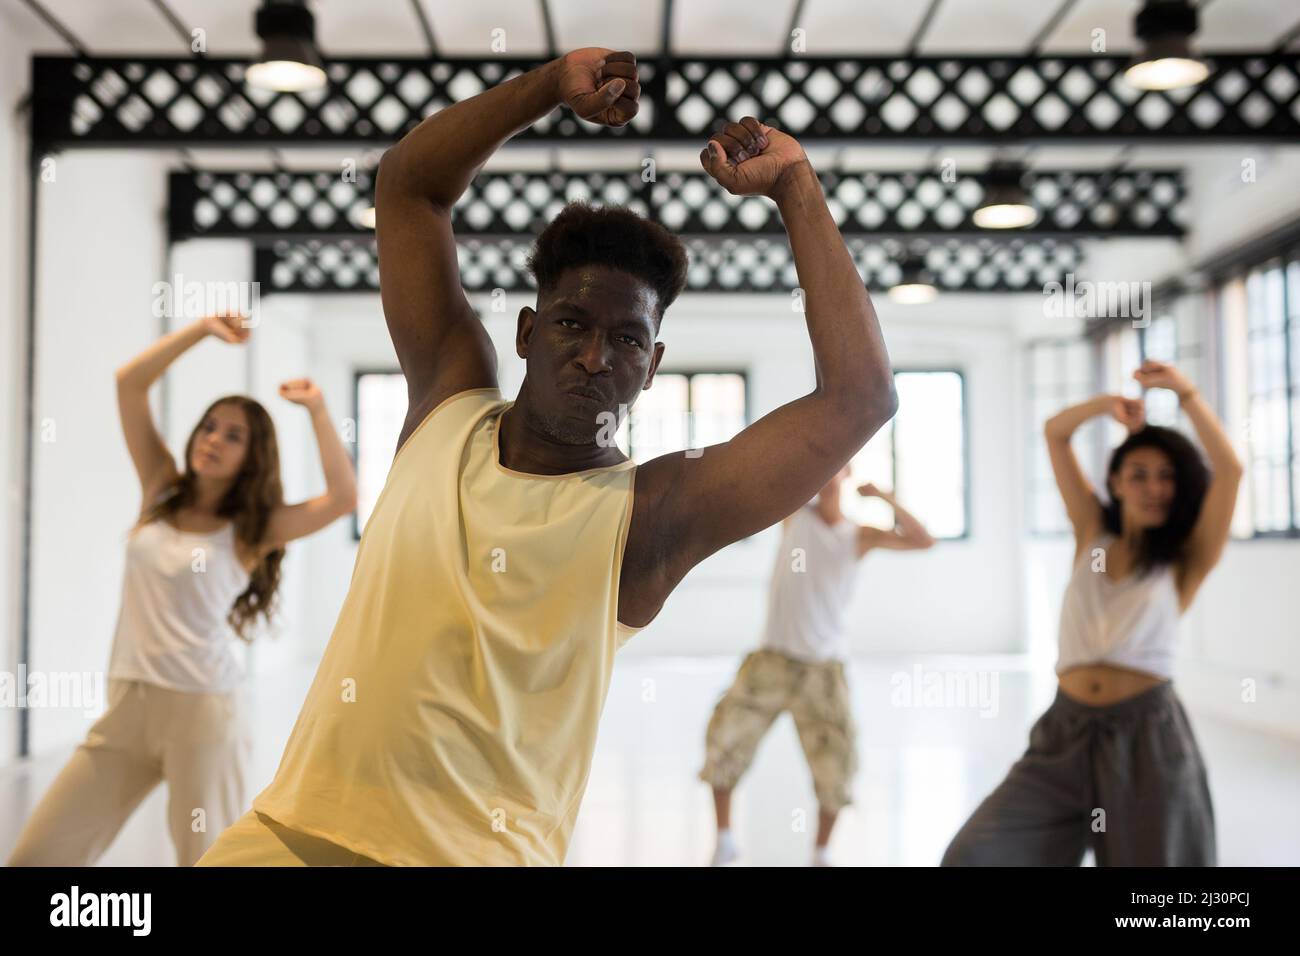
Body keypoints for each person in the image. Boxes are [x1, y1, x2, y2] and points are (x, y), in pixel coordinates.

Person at [197, 46, 896, 867]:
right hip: (281, 838)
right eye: (572, 325)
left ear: (653, 366)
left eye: (628, 340)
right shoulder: (446, 408)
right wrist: (546, 86)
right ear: (527, 333)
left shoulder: (651, 517)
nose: (597, 357)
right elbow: (408, 189)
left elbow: (859, 398)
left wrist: (797, 188)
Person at [7, 313, 358, 867]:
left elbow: (342, 498)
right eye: (209, 426)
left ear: (253, 457)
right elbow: (129, 383)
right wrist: (201, 331)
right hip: (127, 709)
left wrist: (317, 408)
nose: (213, 439)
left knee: (205, 859)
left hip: (203, 716)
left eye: (233, 435)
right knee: (39, 856)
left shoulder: (252, 527)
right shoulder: (160, 489)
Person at [942, 360, 1241, 866]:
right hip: (1065, 729)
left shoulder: (1185, 559)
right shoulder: (1091, 535)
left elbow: (1230, 470)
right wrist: (1106, 407)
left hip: (1147, 735)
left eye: (1166, 476)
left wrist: (1186, 393)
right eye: (1139, 474)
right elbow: (1055, 434)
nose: (1153, 487)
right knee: (976, 854)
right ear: (1116, 482)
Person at [702, 469, 934, 866]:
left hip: (823, 670)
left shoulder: (858, 535)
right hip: (772, 660)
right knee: (724, 741)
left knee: (837, 764)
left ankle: (821, 852)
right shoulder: (795, 514)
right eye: (822, 467)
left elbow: (923, 540)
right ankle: (724, 840)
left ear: (846, 475)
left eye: (836, 468)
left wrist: (884, 498)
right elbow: (771, 484)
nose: (826, 476)